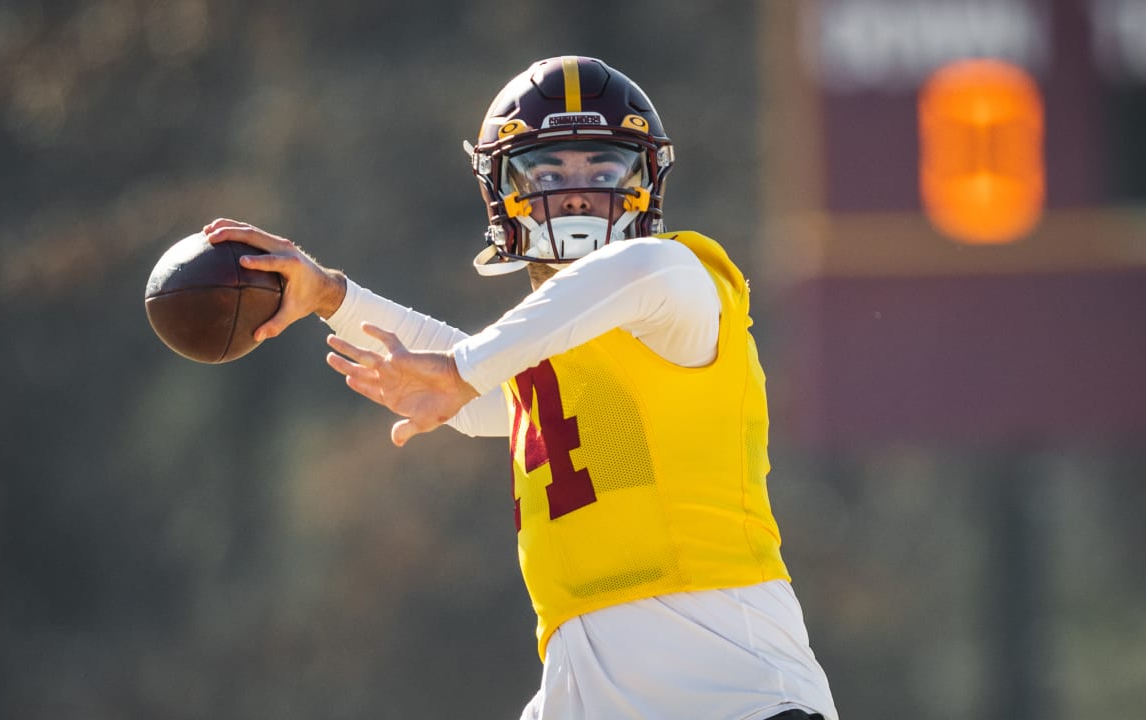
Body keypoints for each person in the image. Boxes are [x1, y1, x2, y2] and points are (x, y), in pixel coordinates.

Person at [204, 55, 837, 720]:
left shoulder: (681, 284)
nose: (576, 191)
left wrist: (462, 369)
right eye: (547, 171)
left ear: (647, 181)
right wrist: (330, 296)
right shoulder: (535, 360)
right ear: (497, 187)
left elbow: (637, 275)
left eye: (604, 169)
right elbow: (471, 384)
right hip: (586, 683)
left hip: (737, 693)